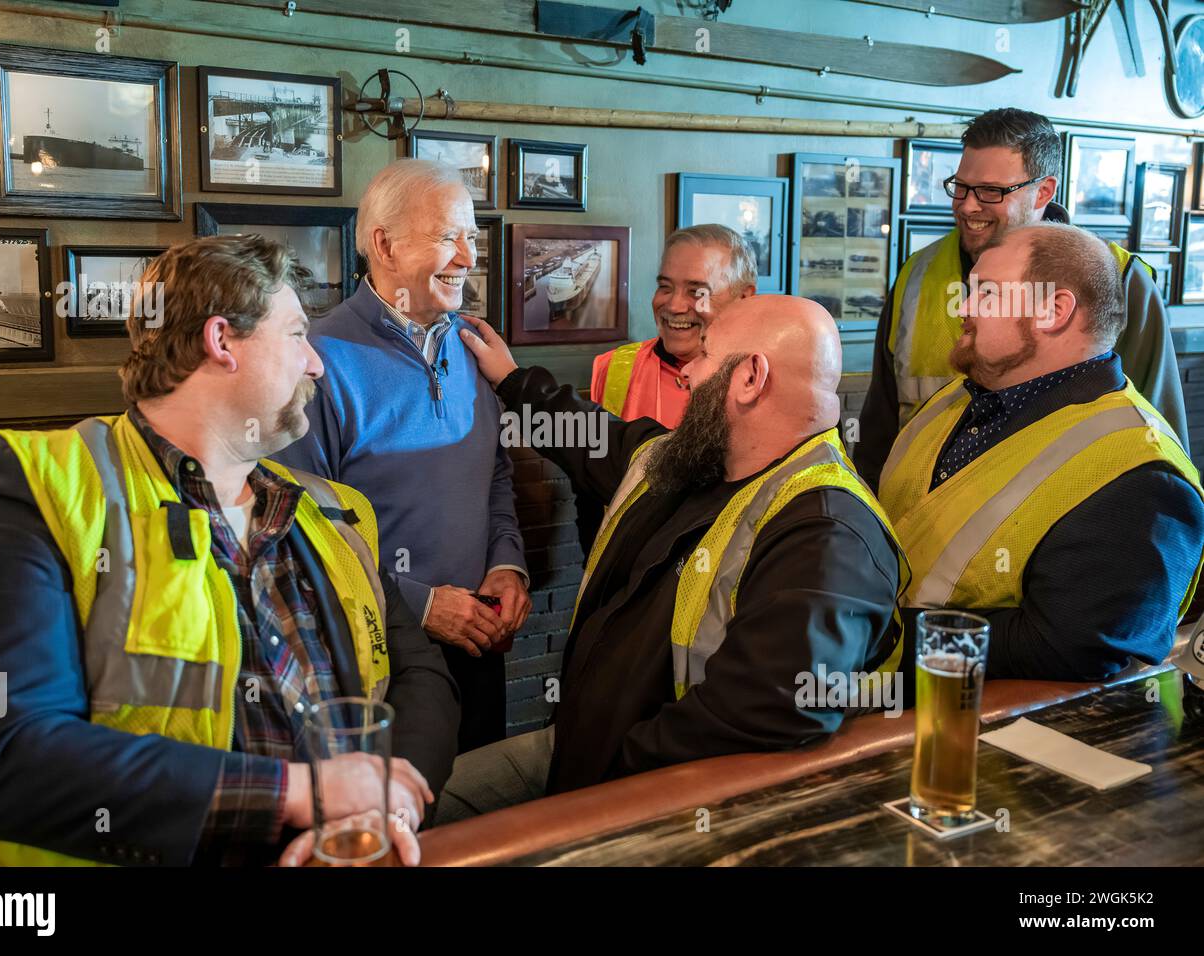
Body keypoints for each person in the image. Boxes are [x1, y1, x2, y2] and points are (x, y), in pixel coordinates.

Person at [0, 234, 460, 866]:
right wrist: (298, 794)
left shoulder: (334, 511)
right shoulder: (34, 483)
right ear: (221, 341)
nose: (316, 364)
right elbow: (2, 756)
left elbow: (420, 677)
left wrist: (386, 804)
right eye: (297, 334)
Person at [435, 295, 909, 820]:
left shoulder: (826, 534)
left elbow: (754, 720)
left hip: (644, 796)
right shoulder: (697, 465)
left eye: (704, 356)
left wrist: (600, 785)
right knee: (418, 806)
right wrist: (511, 380)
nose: (686, 374)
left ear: (751, 378)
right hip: (579, 749)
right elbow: (594, 437)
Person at [275, 159, 530, 753]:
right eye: (448, 238)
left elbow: (495, 475)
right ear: (384, 246)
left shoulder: (477, 348)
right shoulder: (317, 361)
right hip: (380, 657)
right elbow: (303, 534)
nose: (468, 257)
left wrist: (507, 564)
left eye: (471, 237)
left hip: (483, 640)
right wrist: (420, 605)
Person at [878, 222, 1204, 682]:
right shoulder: (958, 398)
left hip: (984, 732)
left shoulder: (1141, 474)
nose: (964, 309)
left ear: (1053, 310)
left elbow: (1067, 649)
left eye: (986, 294)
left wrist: (874, 639)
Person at [854, 107, 1187, 488]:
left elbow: (1156, 435)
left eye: (991, 191)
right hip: (918, 522)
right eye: (960, 186)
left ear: (1044, 191)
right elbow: (879, 423)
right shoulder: (918, 272)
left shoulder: (1118, 279)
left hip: (1057, 524)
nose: (967, 205)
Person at [575, 224, 759, 556]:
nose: (673, 306)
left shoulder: (764, 380)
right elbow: (590, 486)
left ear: (743, 297)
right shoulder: (614, 366)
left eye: (696, 291)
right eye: (664, 287)